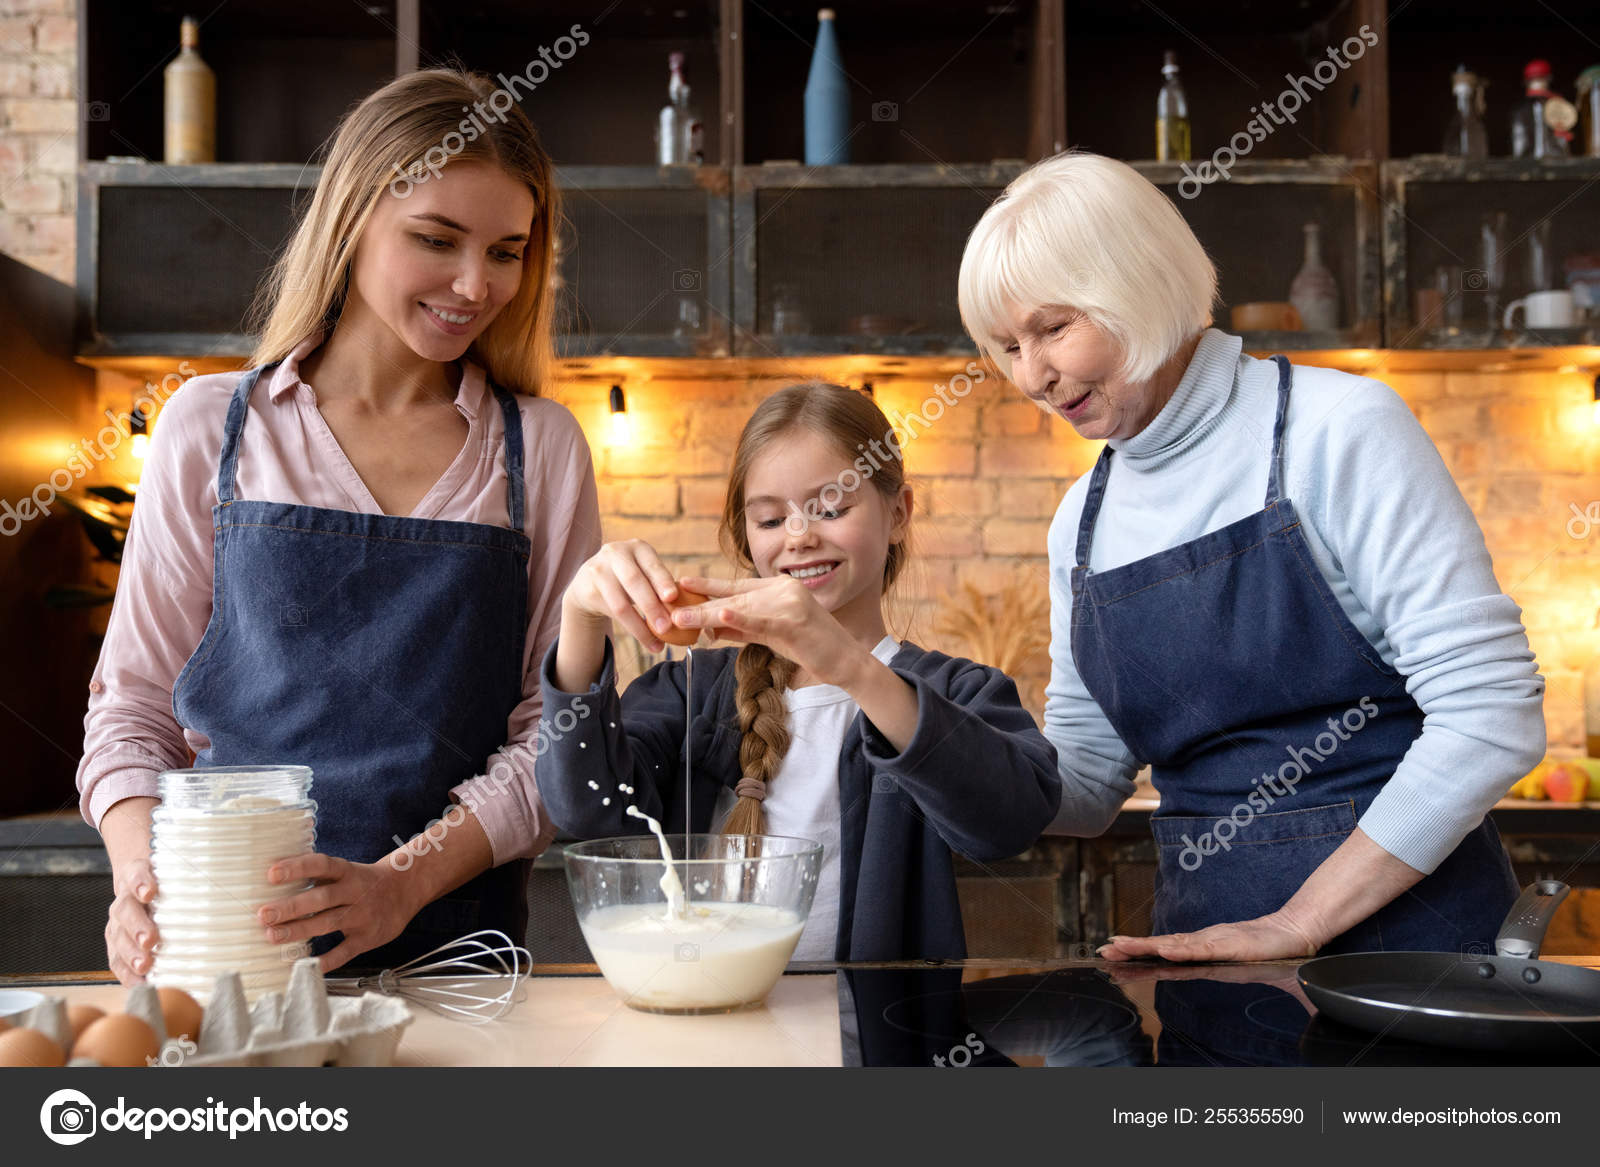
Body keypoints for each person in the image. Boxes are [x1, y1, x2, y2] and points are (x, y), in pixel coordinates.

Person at [956, 151, 1545, 961]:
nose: (1033, 375)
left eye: (1053, 328)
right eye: (1006, 345)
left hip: (1414, 962)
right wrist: (914, 725)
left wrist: (1296, 924)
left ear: (1140, 283)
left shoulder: (1338, 429)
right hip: (1209, 963)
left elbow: (1492, 714)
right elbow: (1087, 787)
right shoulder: (1078, 526)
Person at [78, 69, 600, 982]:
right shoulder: (212, 427)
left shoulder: (539, 450)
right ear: (352, 218)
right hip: (230, 959)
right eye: (436, 240)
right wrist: (144, 875)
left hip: (457, 963)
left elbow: (554, 736)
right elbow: (131, 710)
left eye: (508, 251)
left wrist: (399, 882)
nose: (476, 284)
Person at [535, 381, 1061, 960]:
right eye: (767, 520)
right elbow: (589, 811)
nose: (800, 536)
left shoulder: (958, 693)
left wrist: (851, 668)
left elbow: (1009, 821)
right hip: (711, 1024)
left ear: (899, 512)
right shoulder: (691, 689)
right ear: (745, 536)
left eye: (831, 508)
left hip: (871, 1039)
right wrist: (581, 619)